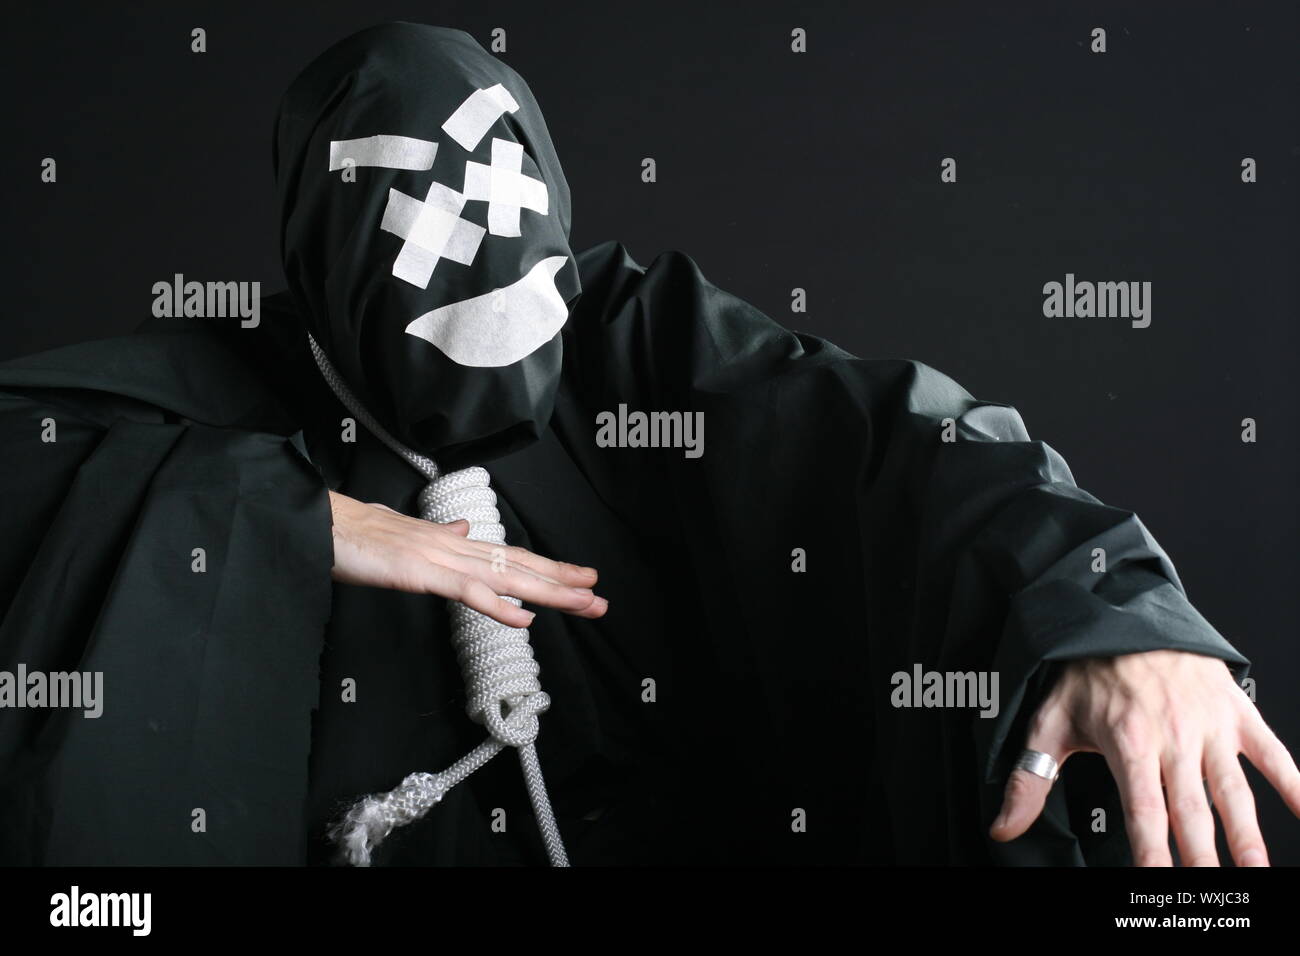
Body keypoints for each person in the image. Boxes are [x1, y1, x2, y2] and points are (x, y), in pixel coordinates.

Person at [0, 22, 1295, 867]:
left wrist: (1114, 614)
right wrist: (271, 516)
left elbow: (901, 447)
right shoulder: (210, 385)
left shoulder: (634, 335)